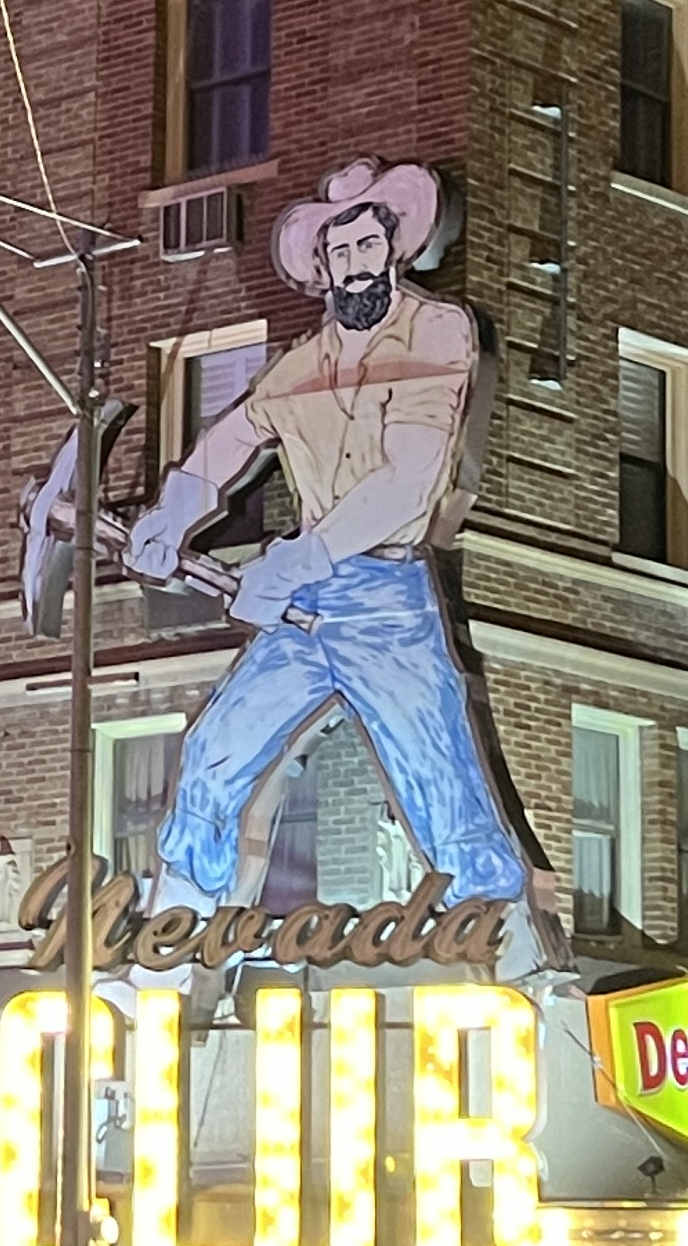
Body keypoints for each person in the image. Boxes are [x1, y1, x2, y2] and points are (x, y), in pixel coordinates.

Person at [119, 158, 536, 931]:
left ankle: (499, 932)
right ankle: (179, 919)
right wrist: (168, 518)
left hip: (387, 600)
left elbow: (410, 481)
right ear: (323, 268)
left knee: (439, 770)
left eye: (367, 245)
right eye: (339, 252)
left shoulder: (439, 332)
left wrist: (293, 561)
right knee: (216, 746)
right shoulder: (302, 365)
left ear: (396, 247)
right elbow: (231, 441)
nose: (355, 264)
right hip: (307, 599)